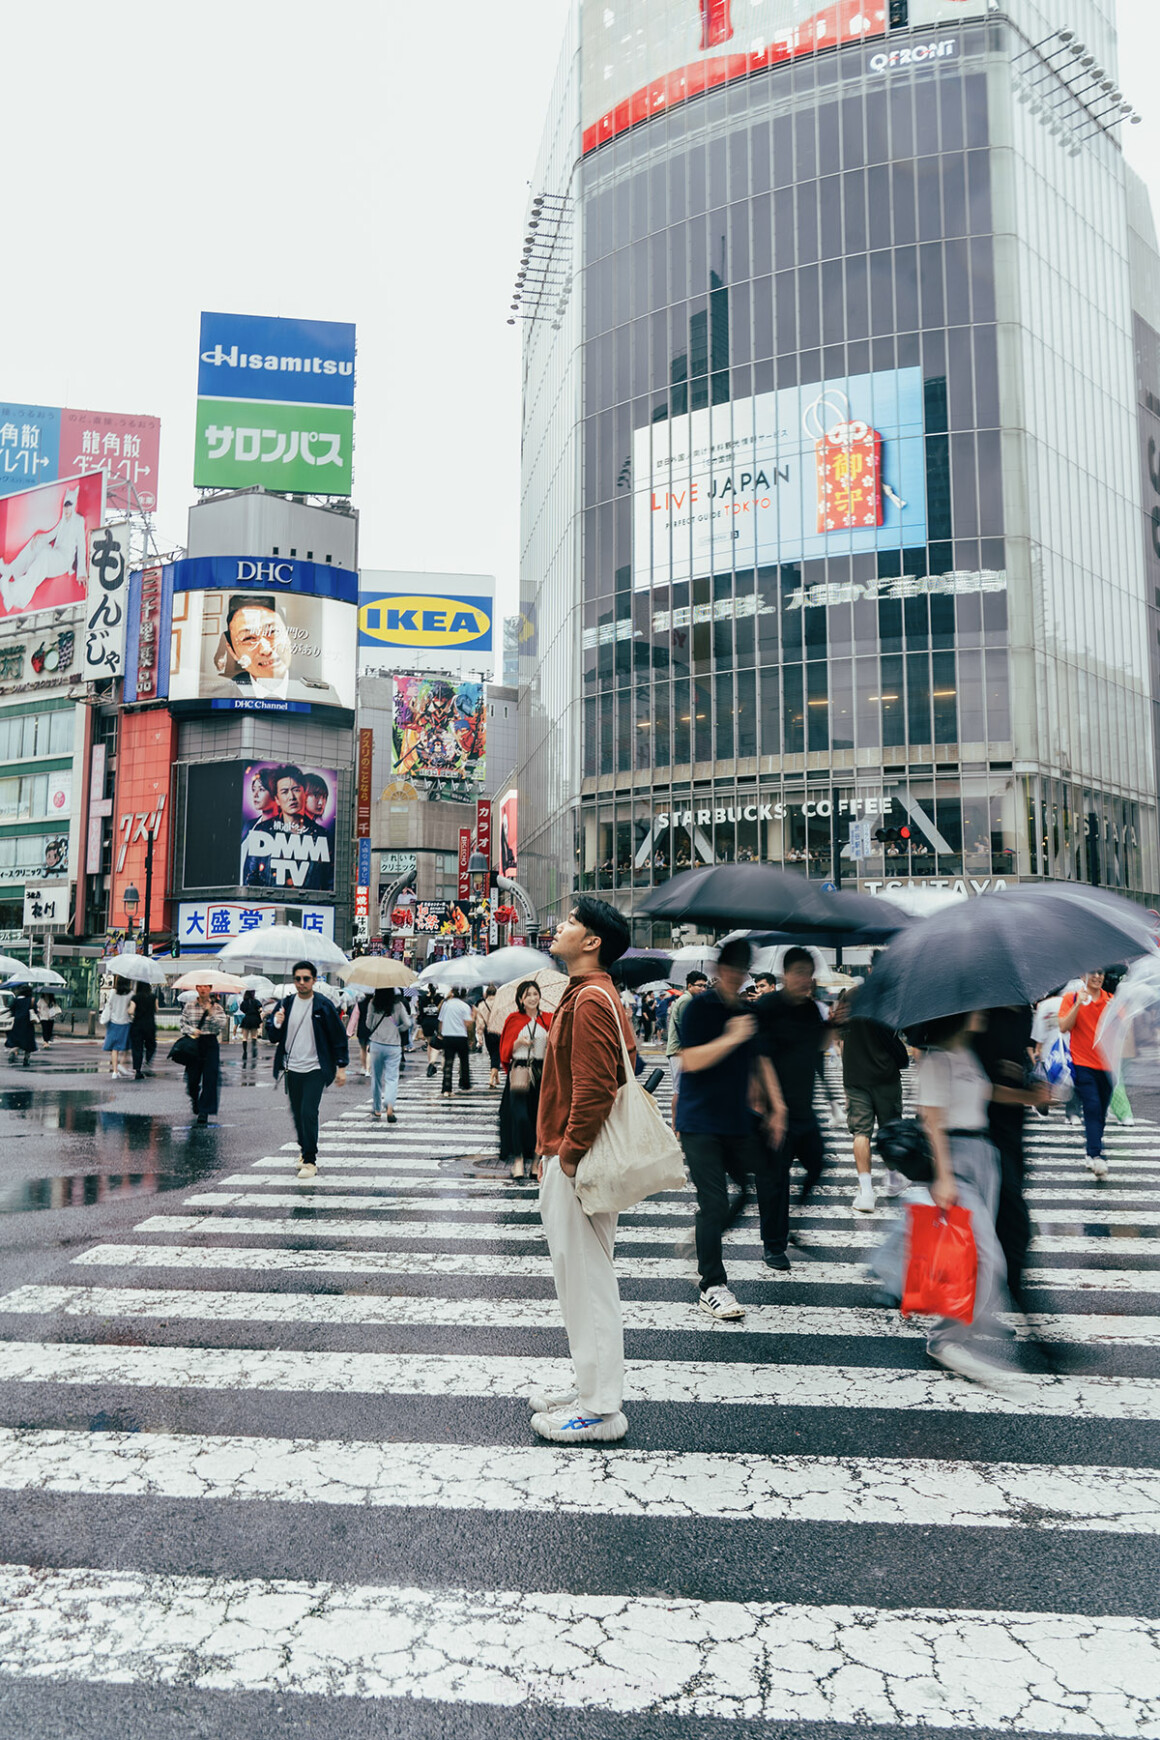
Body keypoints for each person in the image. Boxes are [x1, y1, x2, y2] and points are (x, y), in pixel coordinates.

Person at [530, 894, 635, 1444]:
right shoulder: (587, 994)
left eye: (571, 922)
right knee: (579, 1278)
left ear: (592, 942)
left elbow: (595, 1089)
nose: (561, 927)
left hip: (577, 1160)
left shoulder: (591, 999)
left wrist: (566, 1156)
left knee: (587, 1281)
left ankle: (601, 1410)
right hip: (569, 1155)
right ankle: (590, 1385)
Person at [870, 1012, 1020, 1390]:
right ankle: (945, 1339)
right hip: (954, 1156)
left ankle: (953, 1321)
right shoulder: (936, 1059)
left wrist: (1029, 1096)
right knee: (988, 1257)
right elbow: (931, 1118)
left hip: (983, 1155)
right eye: (977, 1008)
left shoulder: (966, 1053)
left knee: (973, 1254)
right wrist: (945, 1176)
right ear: (960, 1015)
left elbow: (984, 1094)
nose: (984, 1012)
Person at [676, 937, 785, 1317]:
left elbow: (760, 1060)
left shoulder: (747, 1012)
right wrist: (731, 1037)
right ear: (720, 970)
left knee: (751, 1185)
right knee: (714, 1200)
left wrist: (776, 1105)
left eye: (744, 971)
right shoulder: (698, 1009)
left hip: (736, 1121)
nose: (738, 977)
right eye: (733, 969)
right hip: (699, 1121)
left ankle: (705, 1233)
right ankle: (712, 1285)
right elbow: (689, 1060)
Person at [973, 1006, 1053, 1352]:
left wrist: (1034, 1083)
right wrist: (1023, 1092)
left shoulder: (1020, 1014)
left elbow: (1020, 1060)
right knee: (1012, 1232)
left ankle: (983, 1310)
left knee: (1000, 1232)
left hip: (1013, 1140)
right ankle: (1036, 1330)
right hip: (982, 1139)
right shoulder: (976, 1017)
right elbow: (975, 1084)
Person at [753, 947, 833, 1267]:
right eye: (799, 972)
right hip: (775, 1110)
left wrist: (834, 1026)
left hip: (804, 1108)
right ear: (785, 974)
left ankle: (792, 1221)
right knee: (774, 1180)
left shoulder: (812, 1010)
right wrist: (775, 1107)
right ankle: (773, 1244)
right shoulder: (769, 1006)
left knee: (816, 1163)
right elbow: (761, 1057)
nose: (805, 979)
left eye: (808, 972)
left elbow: (818, 1047)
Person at [265, 960, 349, 1177]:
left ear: (313, 980)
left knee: (308, 1112)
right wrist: (276, 1022)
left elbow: (338, 1036)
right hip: (291, 1067)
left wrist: (341, 1066)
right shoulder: (286, 1004)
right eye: (298, 979)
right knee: (297, 1113)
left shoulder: (323, 1005)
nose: (301, 983)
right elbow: (273, 1037)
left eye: (306, 979)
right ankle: (304, 1149)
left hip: (315, 1068)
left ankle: (310, 1160)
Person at [203, 594, 342, 704]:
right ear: (232, 651)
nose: (266, 649)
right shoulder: (222, 695)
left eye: (273, 632)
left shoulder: (323, 694)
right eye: (249, 638)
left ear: (288, 635)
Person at [842, 1015, 909, 1212]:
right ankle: (893, 1177)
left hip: (855, 1076)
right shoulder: (891, 997)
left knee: (861, 1132)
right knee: (890, 1128)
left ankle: (866, 1192)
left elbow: (839, 1031)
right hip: (886, 1074)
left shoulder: (851, 997)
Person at [1059, 970, 1115, 1177]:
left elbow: (1124, 1030)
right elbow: (1064, 1026)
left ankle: (1092, 1151)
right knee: (1091, 1107)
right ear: (1083, 976)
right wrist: (1077, 1005)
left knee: (1100, 1112)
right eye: (1093, 973)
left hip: (1108, 1065)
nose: (1097, 977)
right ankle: (1096, 1154)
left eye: (1101, 973)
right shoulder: (1071, 998)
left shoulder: (1112, 1001)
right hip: (1083, 1063)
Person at [0, 484, 88, 615]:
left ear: (73, 505)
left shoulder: (78, 521)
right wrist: (40, 537)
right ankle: (11, 570)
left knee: (45, 556)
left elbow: (81, 545)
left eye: (69, 506)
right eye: (65, 506)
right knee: (37, 542)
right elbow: (52, 534)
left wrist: (81, 571)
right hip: (56, 552)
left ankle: (14, 593)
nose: (67, 509)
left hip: (64, 560)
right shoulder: (63, 520)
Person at [499, 981, 552, 1179]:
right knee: (519, 1117)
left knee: (541, 1117)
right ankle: (519, 1161)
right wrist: (518, 1043)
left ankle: (537, 1162)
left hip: (543, 1072)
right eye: (527, 994)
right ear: (521, 999)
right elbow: (504, 1052)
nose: (532, 998)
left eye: (535, 993)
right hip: (520, 1070)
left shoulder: (548, 1019)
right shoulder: (513, 1019)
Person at [180, 986, 228, 1124]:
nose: (203, 989)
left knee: (210, 1077)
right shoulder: (189, 1006)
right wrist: (192, 1030)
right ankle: (195, 1098)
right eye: (200, 986)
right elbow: (183, 1025)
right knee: (192, 1078)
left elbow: (222, 1025)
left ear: (210, 988)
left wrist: (210, 1013)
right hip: (194, 1043)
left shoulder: (217, 1008)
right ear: (196, 988)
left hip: (210, 1042)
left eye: (206, 986)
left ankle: (204, 1110)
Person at [366, 987, 411, 1121]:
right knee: (391, 1078)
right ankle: (390, 1104)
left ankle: (377, 1108)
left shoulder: (373, 1003)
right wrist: (398, 1029)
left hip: (376, 1043)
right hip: (393, 1045)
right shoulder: (398, 1004)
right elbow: (407, 1023)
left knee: (376, 1078)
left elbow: (368, 1024)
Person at [665, 969, 707, 1101]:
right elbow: (686, 1027)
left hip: (681, 1051)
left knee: (684, 1090)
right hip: (679, 1051)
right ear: (689, 986)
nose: (703, 989)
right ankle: (674, 1122)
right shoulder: (686, 1000)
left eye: (705, 986)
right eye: (699, 985)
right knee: (680, 1091)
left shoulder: (690, 1000)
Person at [438, 986, 473, 1097]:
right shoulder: (465, 1006)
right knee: (464, 1061)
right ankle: (465, 1084)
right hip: (461, 1036)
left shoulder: (446, 1004)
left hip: (448, 1036)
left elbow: (441, 1021)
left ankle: (446, 1089)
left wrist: (440, 1033)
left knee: (448, 1063)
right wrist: (471, 1037)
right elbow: (468, 1024)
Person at [100, 976, 135, 1079]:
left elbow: (109, 1005)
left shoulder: (112, 993)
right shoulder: (131, 994)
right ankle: (122, 1065)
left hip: (113, 1022)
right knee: (126, 1046)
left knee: (114, 1049)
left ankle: (115, 1071)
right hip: (125, 1023)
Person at [475, 984, 502, 1089]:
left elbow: (480, 1023)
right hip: (499, 1030)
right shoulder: (500, 1003)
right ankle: (491, 1078)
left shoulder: (481, 1005)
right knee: (496, 1055)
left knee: (493, 1054)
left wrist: (479, 1037)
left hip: (488, 1032)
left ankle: (497, 1078)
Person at [129, 982, 157, 1079]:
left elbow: (131, 1011)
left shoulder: (135, 997)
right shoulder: (153, 997)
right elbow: (156, 1009)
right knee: (151, 1045)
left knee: (137, 1047)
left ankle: (138, 1070)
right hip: (150, 1024)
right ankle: (147, 1063)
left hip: (137, 1025)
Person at [6, 985, 37, 1068]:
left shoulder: (16, 1000)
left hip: (17, 1023)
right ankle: (26, 1059)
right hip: (28, 1023)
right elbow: (35, 1010)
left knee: (16, 1040)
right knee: (28, 1042)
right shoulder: (31, 1000)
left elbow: (12, 1010)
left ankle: (13, 1051)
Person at [237, 988, 263, 1068]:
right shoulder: (256, 1001)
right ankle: (253, 1049)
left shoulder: (244, 1002)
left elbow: (242, 1009)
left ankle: (245, 1051)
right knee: (254, 1036)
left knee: (245, 1037)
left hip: (247, 1019)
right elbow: (260, 1009)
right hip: (254, 1019)